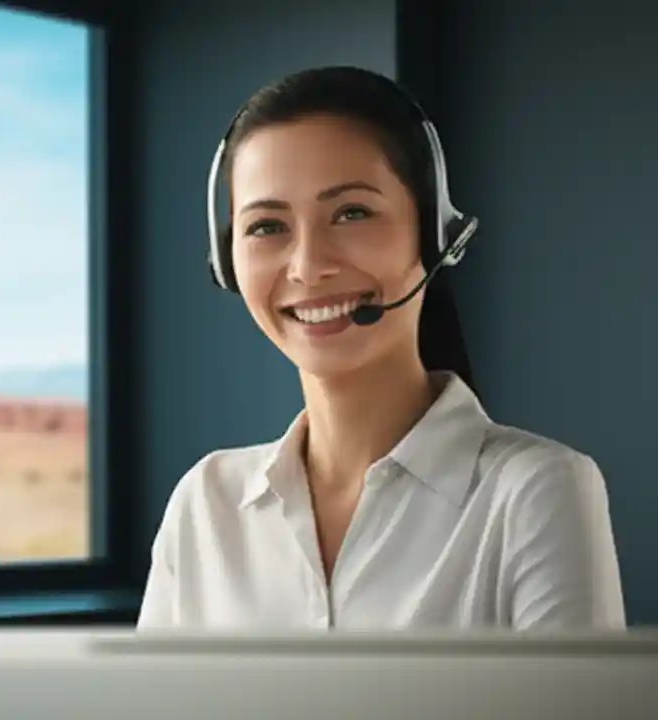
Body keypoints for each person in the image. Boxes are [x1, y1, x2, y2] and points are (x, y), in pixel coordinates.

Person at [136, 66, 626, 630]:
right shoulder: (207, 504)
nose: (308, 266)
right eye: (268, 227)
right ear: (228, 262)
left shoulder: (536, 492)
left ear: (435, 235)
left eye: (352, 213)